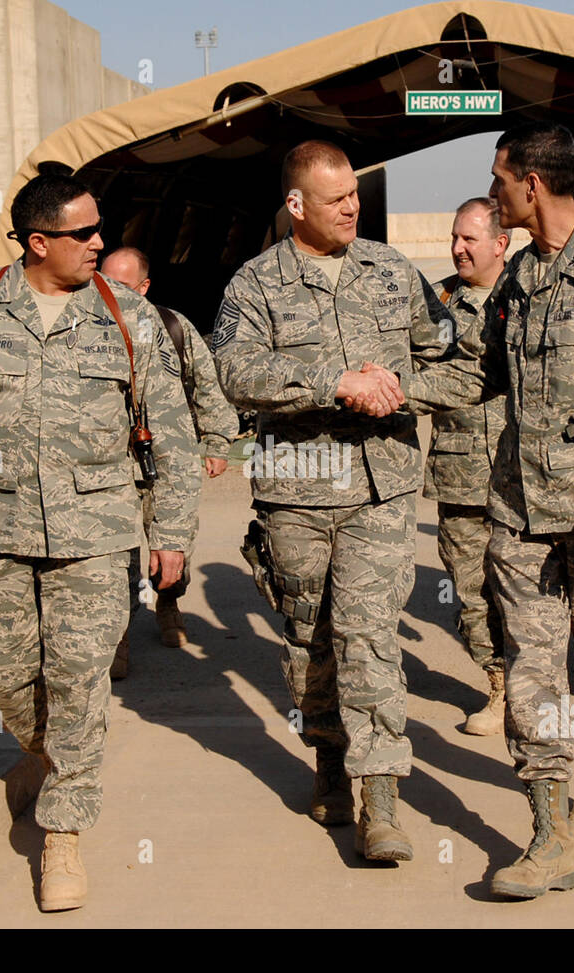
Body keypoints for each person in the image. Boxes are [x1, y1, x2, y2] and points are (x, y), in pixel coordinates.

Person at [0, 173, 200, 911]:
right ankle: (49, 755)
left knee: (80, 681)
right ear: (38, 242)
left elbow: (174, 433)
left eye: (100, 230)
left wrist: (173, 531)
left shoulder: (129, 316)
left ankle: (63, 833)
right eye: (84, 233)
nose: (100, 243)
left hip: (95, 536)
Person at [400, 123, 574, 898]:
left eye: (498, 179)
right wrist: (393, 392)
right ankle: (548, 832)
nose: (492, 192)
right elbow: (477, 376)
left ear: (531, 182)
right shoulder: (521, 276)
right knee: (532, 676)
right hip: (523, 517)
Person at [211, 140, 453, 862]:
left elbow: (442, 349)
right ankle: (328, 756)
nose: (351, 207)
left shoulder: (390, 270)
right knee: (311, 643)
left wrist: (396, 381)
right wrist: (333, 382)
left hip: (382, 487)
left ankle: (381, 798)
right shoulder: (254, 285)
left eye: (355, 194)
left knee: (370, 635)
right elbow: (233, 370)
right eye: (335, 197)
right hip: (299, 493)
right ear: (296, 205)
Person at [99, 246, 237, 663]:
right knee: (110, 555)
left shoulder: (172, 326)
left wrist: (216, 440)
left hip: (166, 461)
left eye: (121, 286)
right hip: (109, 465)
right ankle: (117, 633)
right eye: (101, 283)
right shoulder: (85, 327)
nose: (108, 294)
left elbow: (206, 383)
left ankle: (168, 604)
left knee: (174, 544)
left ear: (144, 287)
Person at [423, 197, 509, 736]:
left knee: (536, 592)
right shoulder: (436, 304)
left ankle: (544, 686)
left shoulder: (529, 296)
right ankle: (499, 687)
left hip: (526, 475)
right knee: (470, 586)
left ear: (501, 243)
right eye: (455, 237)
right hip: (459, 475)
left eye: (470, 239)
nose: (458, 248)